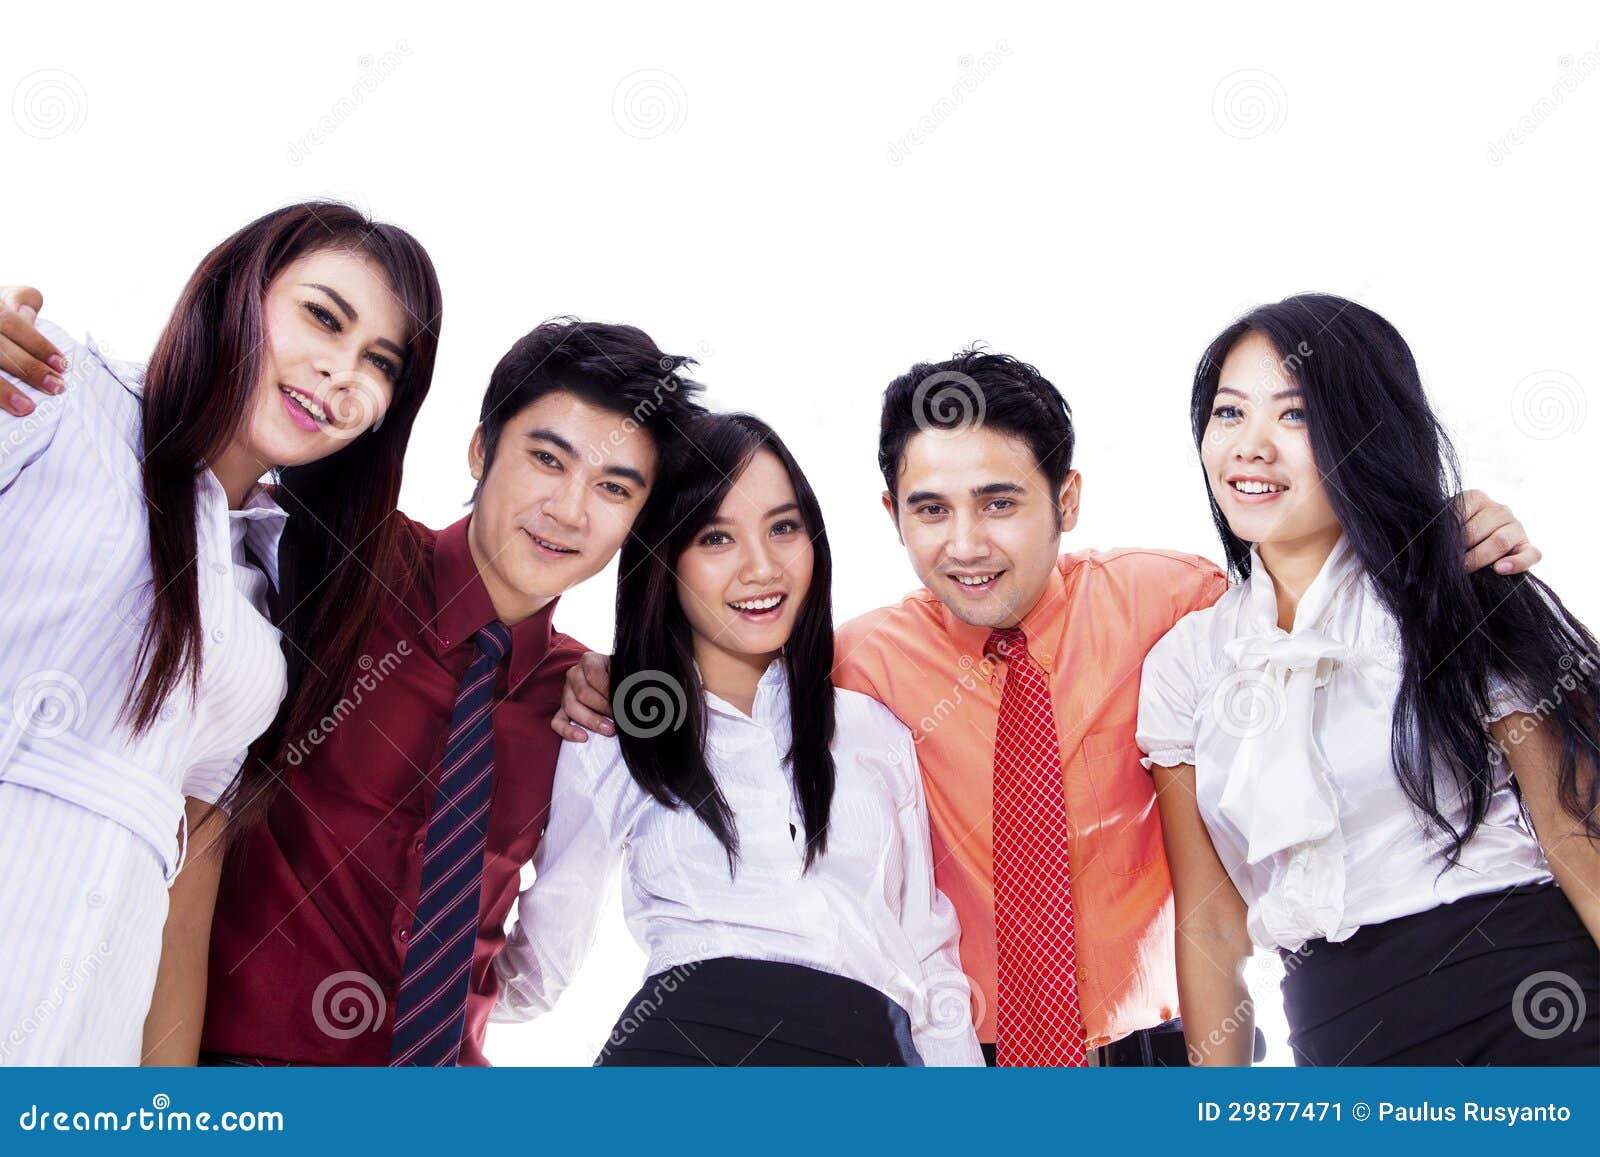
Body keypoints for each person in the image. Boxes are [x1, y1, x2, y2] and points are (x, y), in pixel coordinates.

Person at [553, 347, 1540, 1066]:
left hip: (1159, 1049)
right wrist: (611, 678)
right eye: (930, 509)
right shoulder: (854, 669)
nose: (966, 544)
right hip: (959, 1059)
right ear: (890, 515)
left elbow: (1307, 606)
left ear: (1065, 500)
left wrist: (1432, 532)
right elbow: (728, 688)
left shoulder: (1174, 602)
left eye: (1000, 502)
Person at [0, 202, 442, 1065]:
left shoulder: (263, 601)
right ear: (240, 289)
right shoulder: (58, 396)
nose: (341, 371)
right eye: (323, 316)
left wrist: (165, 1109)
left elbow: (185, 888)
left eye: (380, 362)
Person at [1137, 293, 1600, 1066]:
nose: (1250, 447)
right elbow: (1212, 926)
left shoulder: (1457, 583)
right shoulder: (1186, 664)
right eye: (1229, 413)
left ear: (1364, 430)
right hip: (1341, 1040)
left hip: (1531, 1008)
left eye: (1294, 414)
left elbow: (1575, 835)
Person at [495, 412, 983, 1066]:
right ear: (664, 560)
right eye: (717, 537)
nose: (761, 567)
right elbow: (539, 968)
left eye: (783, 528)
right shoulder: (613, 731)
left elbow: (931, 960)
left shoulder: (875, 731)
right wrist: (400, 992)